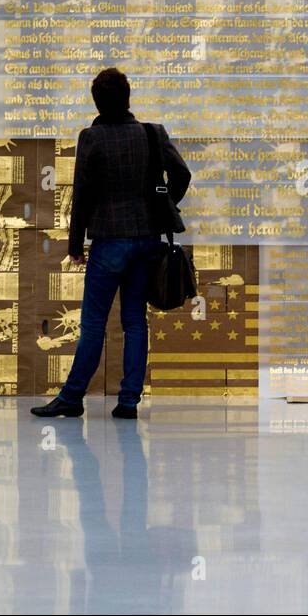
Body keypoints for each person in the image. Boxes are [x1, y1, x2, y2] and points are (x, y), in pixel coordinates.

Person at [31, 68, 191, 419]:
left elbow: (83, 196)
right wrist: (164, 205)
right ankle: (129, 401)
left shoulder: (91, 138)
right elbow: (182, 174)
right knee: (135, 321)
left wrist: (75, 244)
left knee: (93, 324)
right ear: (128, 96)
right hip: (146, 241)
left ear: (97, 102)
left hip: (108, 244)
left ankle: (72, 398)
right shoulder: (152, 134)